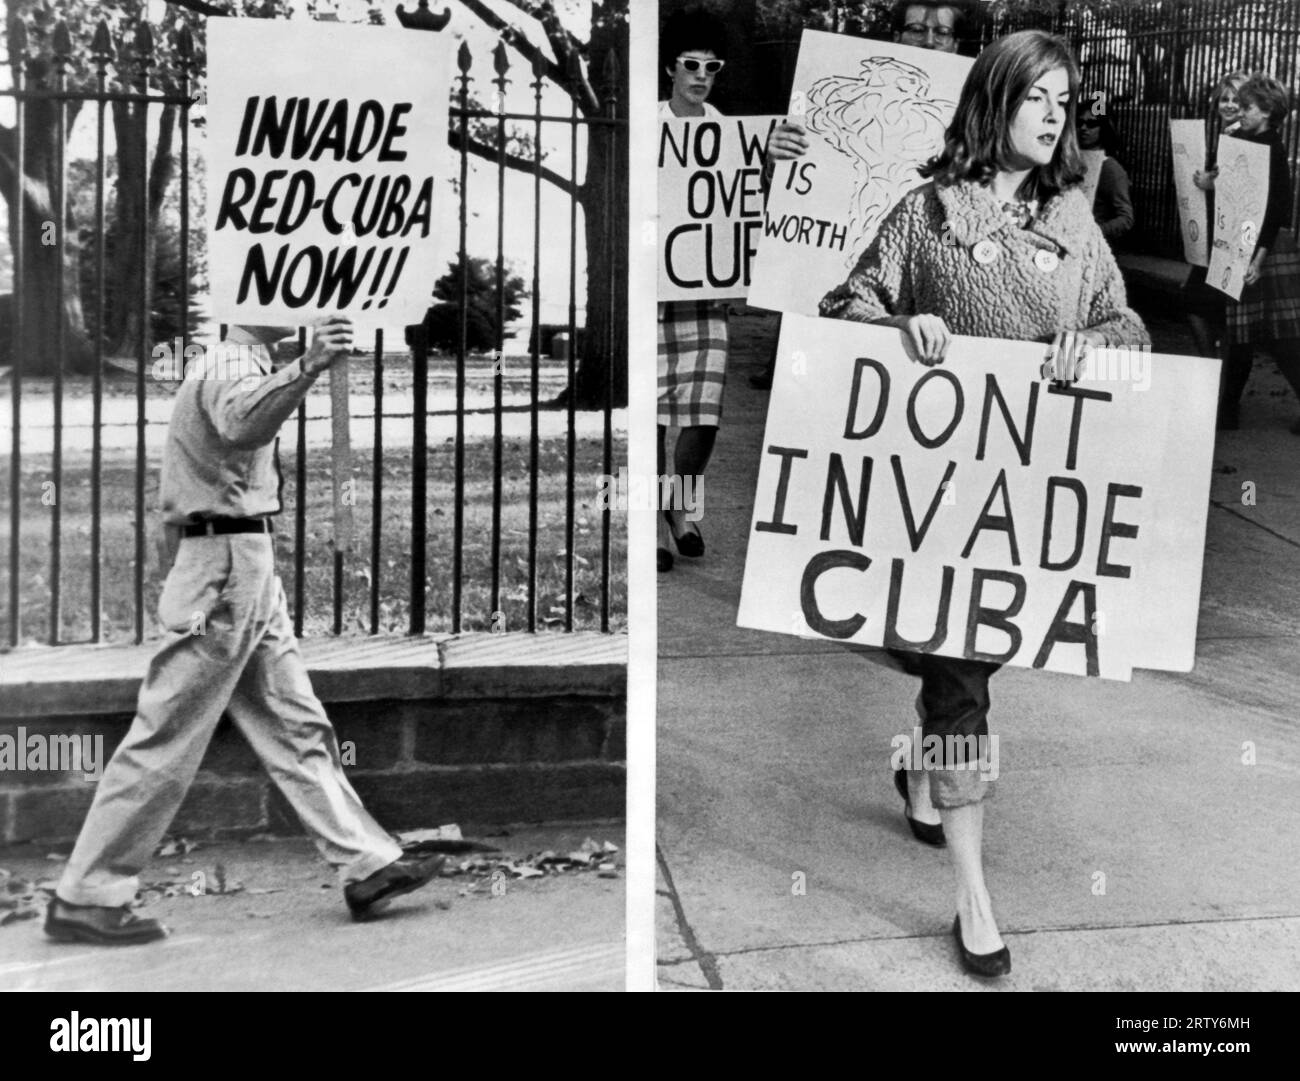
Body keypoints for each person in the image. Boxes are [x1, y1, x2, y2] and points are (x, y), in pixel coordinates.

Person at [818, 29, 1150, 978]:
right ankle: (973, 898)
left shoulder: (1075, 219)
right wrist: (897, 320)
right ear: (992, 102)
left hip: (1025, 505)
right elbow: (846, 303)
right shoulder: (926, 214)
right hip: (932, 500)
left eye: (1065, 101)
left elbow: (1124, 319)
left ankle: (923, 768)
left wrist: (1096, 340)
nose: (1055, 118)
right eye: (1036, 98)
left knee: (964, 670)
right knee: (957, 682)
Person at [45, 317, 444, 946]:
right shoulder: (234, 363)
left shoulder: (238, 361)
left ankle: (366, 864)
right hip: (226, 564)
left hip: (235, 563)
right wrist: (308, 365)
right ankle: (87, 894)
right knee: (168, 731)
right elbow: (239, 424)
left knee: (294, 722)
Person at [750, 0, 974, 392]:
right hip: (844, 281)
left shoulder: (970, 121)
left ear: (955, 45)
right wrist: (778, 163)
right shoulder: (848, 103)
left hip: (922, 295)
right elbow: (795, 205)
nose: (929, 41)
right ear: (898, 37)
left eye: (941, 32)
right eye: (917, 29)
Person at [658, 8, 730, 572]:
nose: (700, 74)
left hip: (704, 296)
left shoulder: (729, 133)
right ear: (670, 69)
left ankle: (684, 509)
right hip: (654, 293)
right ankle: (653, 529)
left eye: (711, 66)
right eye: (690, 64)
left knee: (703, 418)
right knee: (653, 417)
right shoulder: (650, 126)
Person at [1209, 73, 1300, 431]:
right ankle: (1227, 411)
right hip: (1244, 244)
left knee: (1280, 337)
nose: (1239, 112)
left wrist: (1258, 259)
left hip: (1265, 249)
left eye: (1247, 107)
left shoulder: (1273, 150)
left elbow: (1277, 209)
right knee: (1241, 332)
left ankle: (1227, 411)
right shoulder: (1242, 140)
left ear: (1266, 112)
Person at [1183, 71, 1248, 360]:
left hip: (1232, 238)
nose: (1230, 105)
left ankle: (1216, 370)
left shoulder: (1243, 137)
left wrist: (1213, 183)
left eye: (1237, 99)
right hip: (1214, 236)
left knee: (1205, 304)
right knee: (1199, 304)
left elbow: (1248, 186)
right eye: (1225, 99)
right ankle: (1213, 366)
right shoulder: (1227, 135)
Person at [1076, 109, 1134, 241]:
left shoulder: (1109, 168)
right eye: (1079, 123)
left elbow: (1125, 218)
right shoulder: (1068, 162)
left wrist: (1094, 232)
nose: (1084, 128)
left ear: (1104, 128)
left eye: (1091, 124)